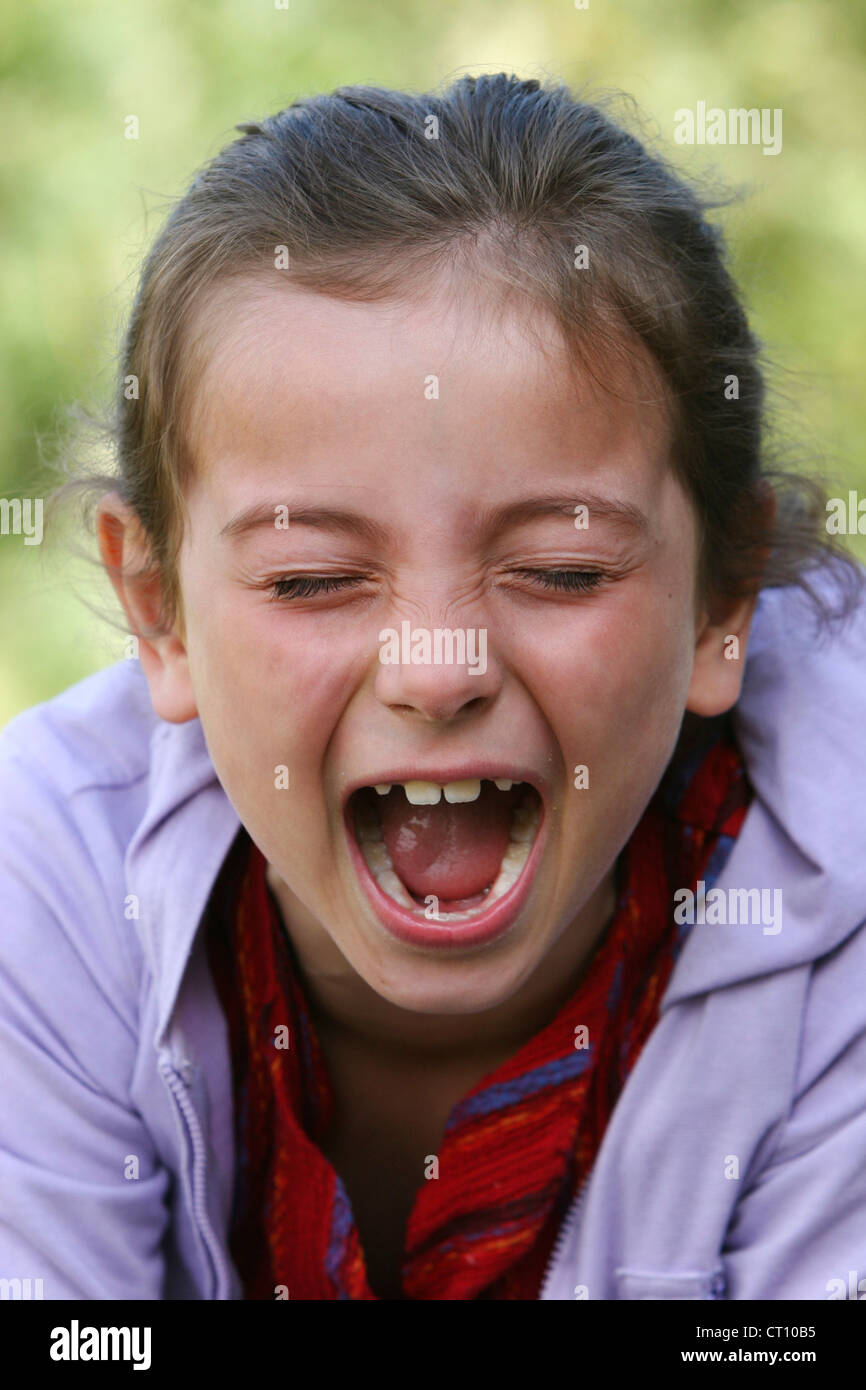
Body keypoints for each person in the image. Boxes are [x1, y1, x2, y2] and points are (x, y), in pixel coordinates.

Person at [1, 72, 865, 1301]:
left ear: (721, 600)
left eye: (560, 568)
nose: (437, 670)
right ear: (160, 613)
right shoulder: (44, 896)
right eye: (309, 579)